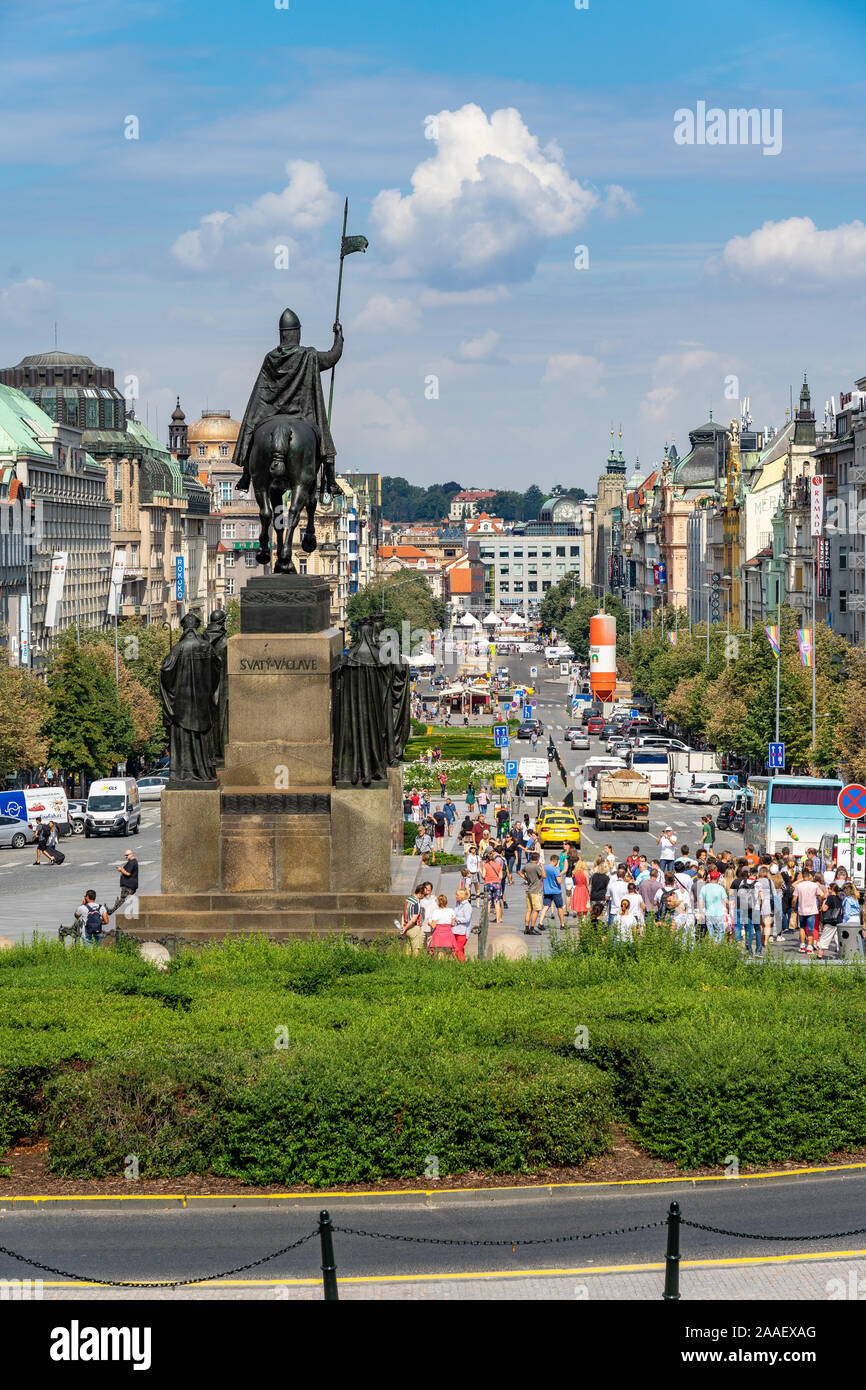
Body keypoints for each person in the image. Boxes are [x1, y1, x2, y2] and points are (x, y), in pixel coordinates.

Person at [793, 870, 825, 956]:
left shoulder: (798, 886)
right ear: (809, 876)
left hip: (802, 909)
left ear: (803, 876)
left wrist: (793, 907)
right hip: (812, 910)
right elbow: (820, 896)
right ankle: (809, 947)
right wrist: (820, 904)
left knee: (802, 928)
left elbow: (794, 899)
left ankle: (802, 946)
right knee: (810, 929)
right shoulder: (814, 885)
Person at [700, 869, 728, 944]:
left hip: (708, 913)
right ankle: (716, 946)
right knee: (720, 932)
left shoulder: (704, 887)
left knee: (710, 933)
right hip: (718, 914)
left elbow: (701, 900)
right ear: (717, 878)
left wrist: (701, 912)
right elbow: (726, 901)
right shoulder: (720, 888)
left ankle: (710, 948)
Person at [816, 882, 843, 960]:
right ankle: (842, 955)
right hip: (838, 921)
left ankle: (819, 956)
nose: (827, 889)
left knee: (825, 938)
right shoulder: (839, 898)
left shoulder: (830, 897)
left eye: (829, 888)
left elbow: (824, 909)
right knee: (839, 940)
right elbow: (841, 911)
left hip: (830, 922)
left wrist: (824, 901)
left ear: (831, 889)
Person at [538, 853, 565, 931]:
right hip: (556, 891)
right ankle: (562, 924)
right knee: (559, 908)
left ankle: (540, 922)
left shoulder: (544, 868)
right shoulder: (555, 869)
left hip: (547, 891)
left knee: (545, 907)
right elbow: (559, 881)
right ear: (556, 861)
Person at [109, 849, 139, 915]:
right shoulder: (132, 861)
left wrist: (121, 870)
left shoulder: (132, 862)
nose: (125, 857)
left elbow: (128, 873)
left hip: (128, 885)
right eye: (125, 855)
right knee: (123, 900)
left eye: (127, 855)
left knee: (122, 900)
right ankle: (113, 910)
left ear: (131, 854)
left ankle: (112, 911)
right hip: (129, 885)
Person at [521, 852, 544, 934]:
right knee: (536, 910)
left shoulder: (527, 865)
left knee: (529, 910)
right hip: (536, 891)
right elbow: (543, 876)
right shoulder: (536, 866)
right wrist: (542, 867)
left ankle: (526, 928)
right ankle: (532, 928)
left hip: (529, 890)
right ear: (537, 859)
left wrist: (527, 879)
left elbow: (520, 872)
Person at [399, 885, 424, 954]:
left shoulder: (408, 900)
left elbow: (403, 914)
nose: (423, 896)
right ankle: (415, 964)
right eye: (423, 894)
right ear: (420, 893)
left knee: (408, 949)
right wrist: (405, 928)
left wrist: (403, 926)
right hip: (414, 928)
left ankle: (407, 963)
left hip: (407, 928)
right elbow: (413, 920)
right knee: (416, 949)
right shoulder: (416, 903)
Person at [482, 850, 504, 924]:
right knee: (497, 902)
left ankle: (486, 920)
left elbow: (483, 876)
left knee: (488, 903)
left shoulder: (485, 865)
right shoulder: (498, 865)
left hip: (488, 884)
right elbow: (501, 877)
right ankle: (498, 919)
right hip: (497, 884)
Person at [453, 889, 473, 962]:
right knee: (459, 949)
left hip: (463, 931)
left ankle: (463, 965)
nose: (456, 896)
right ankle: (463, 964)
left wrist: (456, 919)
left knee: (458, 950)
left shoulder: (467, 906)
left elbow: (467, 919)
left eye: (457, 895)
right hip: (455, 930)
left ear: (462, 896)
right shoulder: (458, 904)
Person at [589, 857, 610, 922]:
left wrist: (590, 895)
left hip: (594, 896)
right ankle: (600, 926)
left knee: (593, 912)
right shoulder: (606, 878)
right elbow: (607, 889)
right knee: (601, 914)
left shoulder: (594, 876)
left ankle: (592, 925)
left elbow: (591, 886)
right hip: (602, 897)